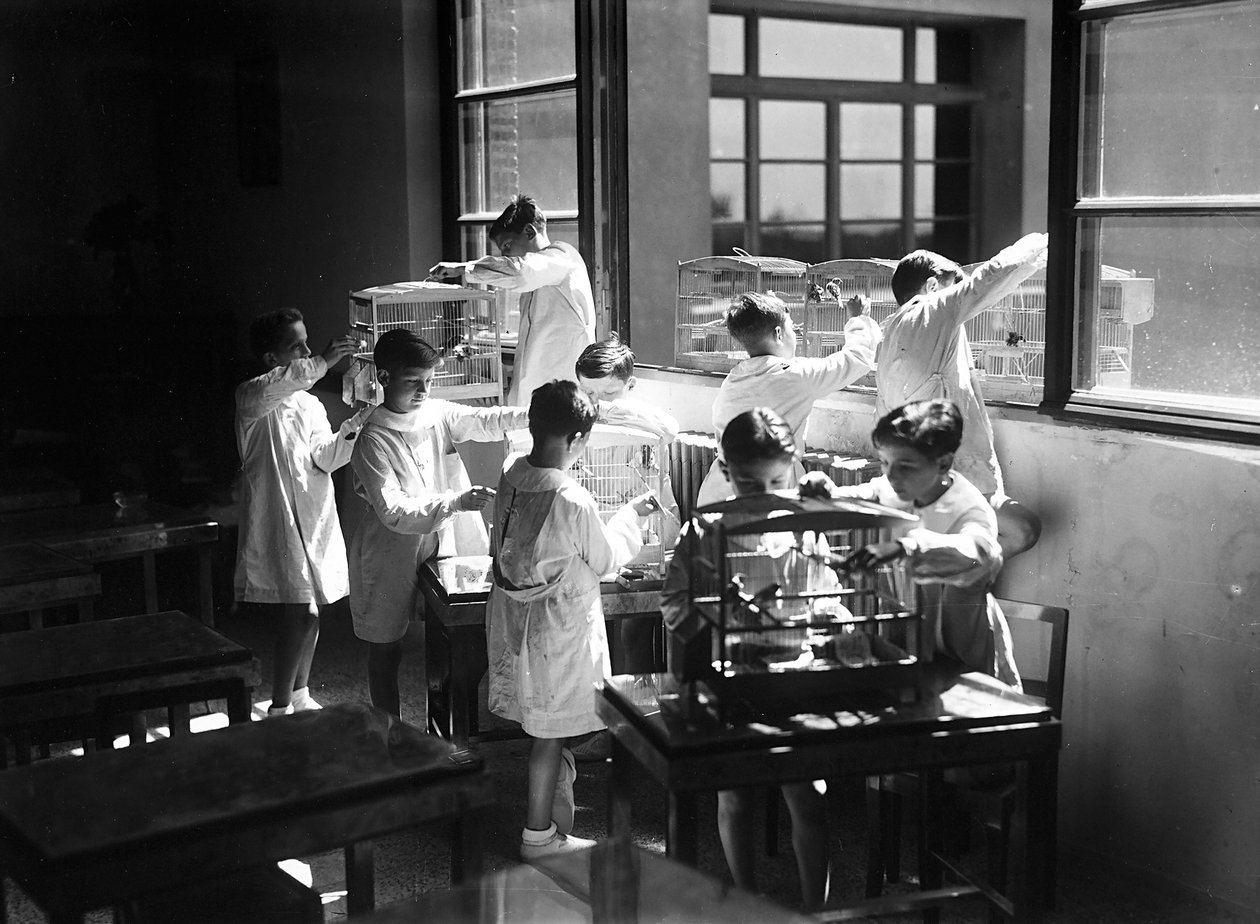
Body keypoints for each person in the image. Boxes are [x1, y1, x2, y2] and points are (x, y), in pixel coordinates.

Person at [661, 408, 832, 910]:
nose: (766, 494)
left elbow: (823, 591)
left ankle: (814, 908)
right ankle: (745, 893)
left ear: (794, 467)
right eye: (751, 484)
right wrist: (714, 618)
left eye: (778, 481)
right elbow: (674, 603)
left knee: (809, 793)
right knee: (733, 793)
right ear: (727, 472)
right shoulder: (705, 532)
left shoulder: (804, 527)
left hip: (794, 673)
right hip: (728, 679)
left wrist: (827, 614)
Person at [486, 380, 655, 859]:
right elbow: (603, 560)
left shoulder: (512, 471)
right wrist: (630, 516)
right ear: (579, 440)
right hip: (556, 628)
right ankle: (537, 837)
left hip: (520, 621)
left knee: (545, 727)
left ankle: (554, 826)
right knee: (549, 734)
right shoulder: (572, 496)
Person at [348, 329, 527, 718]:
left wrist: (538, 414)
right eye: (413, 381)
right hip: (390, 546)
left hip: (444, 535)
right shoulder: (373, 439)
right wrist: (456, 501)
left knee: (457, 626)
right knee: (386, 645)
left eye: (429, 381)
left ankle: (445, 723)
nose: (423, 391)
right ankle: (390, 732)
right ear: (383, 378)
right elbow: (394, 510)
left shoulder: (436, 414)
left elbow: (486, 420)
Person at [800, 398, 1020, 687]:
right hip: (909, 643)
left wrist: (906, 547)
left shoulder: (970, 509)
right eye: (886, 462)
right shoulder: (894, 489)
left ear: (943, 463)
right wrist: (828, 491)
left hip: (961, 652)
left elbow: (982, 553)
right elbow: (864, 495)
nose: (891, 475)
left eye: (905, 466)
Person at [878, 233, 1048, 559]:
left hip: (916, 478)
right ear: (931, 286)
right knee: (1023, 529)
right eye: (953, 283)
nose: (959, 290)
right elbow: (993, 274)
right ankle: (961, 579)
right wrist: (1044, 241)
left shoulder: (892, 330)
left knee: (996, 534)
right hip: (946, 478)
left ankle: (954, 577)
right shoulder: (934, 309)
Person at [234, 308, 368, 716]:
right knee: (302, 608)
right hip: (278, 516)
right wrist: (324, 362)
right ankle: (279, 706)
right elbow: (288, 381)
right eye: (298, 346)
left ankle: (298, 694)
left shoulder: (309, 406)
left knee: (313, 609)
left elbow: (325, 458)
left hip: (313, 514)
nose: (309, 351)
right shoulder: (252, 398)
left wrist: (356, 426)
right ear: (272, 360)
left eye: (308, 343)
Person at [695, 290, 879, 507]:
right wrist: (858, 319)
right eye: (793, 328)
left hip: (721, 490)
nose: (796, 335)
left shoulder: (734, 378)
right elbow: (856, 360)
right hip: (771, 489)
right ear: (779, 334)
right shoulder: (797, 375)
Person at [428, 195, 596, 406]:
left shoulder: (562, 257)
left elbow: (520, 272)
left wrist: (464, 268)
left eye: (507, 246)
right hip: (536, 393)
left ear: (529, 232)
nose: (505, 256)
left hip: (565, 393)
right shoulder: (536, 281)